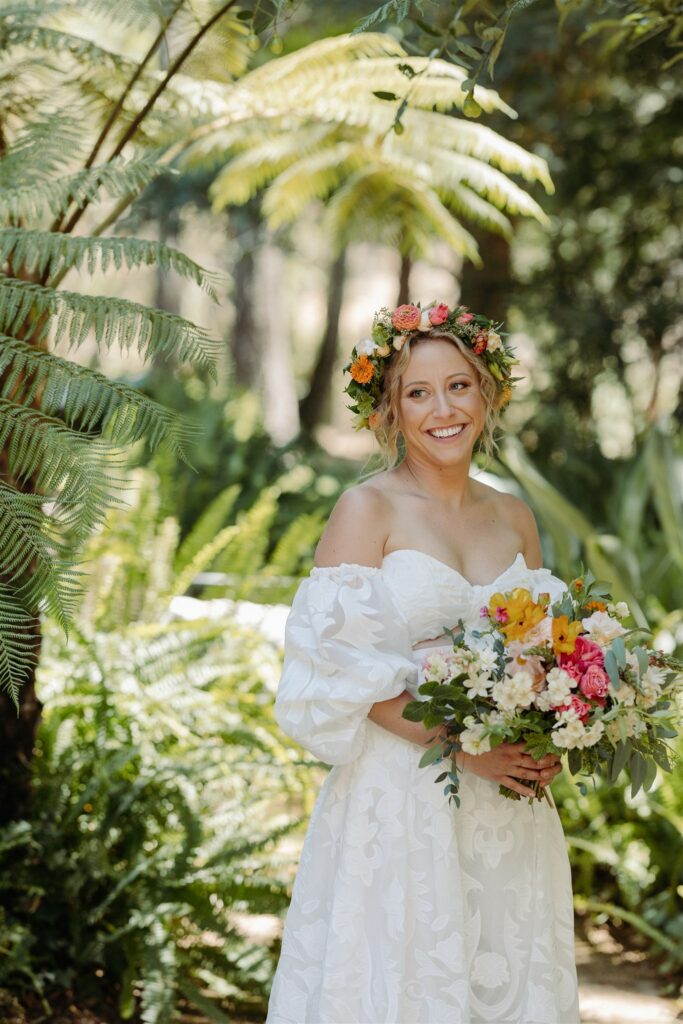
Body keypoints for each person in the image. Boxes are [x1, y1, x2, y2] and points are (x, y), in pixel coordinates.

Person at [265, 301, 580, 1024]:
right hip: (403, 799)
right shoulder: (365, 510)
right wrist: (464, 750)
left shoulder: (514, 516)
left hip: (508, 807)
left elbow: (546, 651)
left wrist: (554, 730)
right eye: (418, 392)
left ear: (487, 393)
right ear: (389, 411)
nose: (443, 409)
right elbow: (339, 668)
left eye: (459, 386)